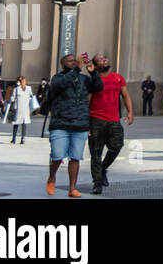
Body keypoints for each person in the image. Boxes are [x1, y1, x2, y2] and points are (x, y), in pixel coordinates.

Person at [38, 53, 104, 197]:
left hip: (80, 123)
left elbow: (98, 87)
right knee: (57, 155)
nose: (73, 63)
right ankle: (52, 177)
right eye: (70, 61)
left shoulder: (84, 79)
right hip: (60, 123)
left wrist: (93, 72)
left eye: (75, 61)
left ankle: (72, 188)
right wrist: (77, 69)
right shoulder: (58, 78)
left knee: (75, 157)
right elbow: (62, 84)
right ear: (63, 64)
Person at [88, 52, 133, 194]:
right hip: (96, 120)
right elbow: (87, 101)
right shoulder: (93, 81)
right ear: (95, 66)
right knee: (96, 153)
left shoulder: (118, 78)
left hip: (114, 120)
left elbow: (125, 95)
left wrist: (130, 112)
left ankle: (102, 169)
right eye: (100, 60)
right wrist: (86, 123)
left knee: (117, 146)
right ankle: (97, 183)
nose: (104, 60)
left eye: (105, 58)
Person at [7, 76, 35, 144]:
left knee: (17, 124)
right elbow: (31, 97)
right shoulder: (28, 88)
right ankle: (22, 139)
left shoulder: (16, 89)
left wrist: (9, 100)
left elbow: (12, 99)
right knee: (23, 124)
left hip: (19, 109)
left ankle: (14, 139)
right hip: (24, 109)